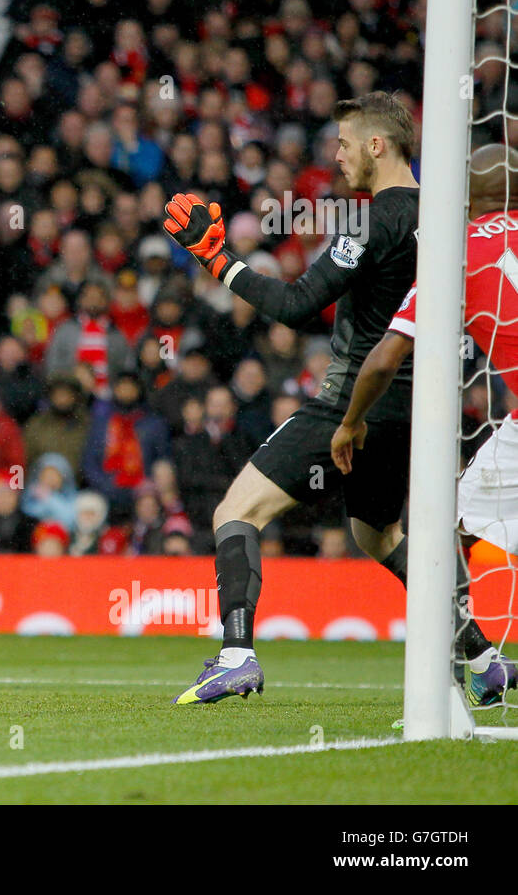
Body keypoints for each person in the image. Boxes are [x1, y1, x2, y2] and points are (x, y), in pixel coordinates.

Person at [162, 91, 420, 704]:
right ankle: (480, 654)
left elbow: (298, 302)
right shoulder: (442, 218)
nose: (336, 156)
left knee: (235, 511)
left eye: (345, 144)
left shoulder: (373, 220)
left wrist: (219, 261)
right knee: (376, 537)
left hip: (355, 400)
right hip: (415, 408)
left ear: (376, 145)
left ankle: (236, 654)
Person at [331, 143, 518, 707]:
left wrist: (351, 420)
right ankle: (482, 663)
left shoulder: (454, 254)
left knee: (439, 532)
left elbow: (386, 357)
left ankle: (460, 679)